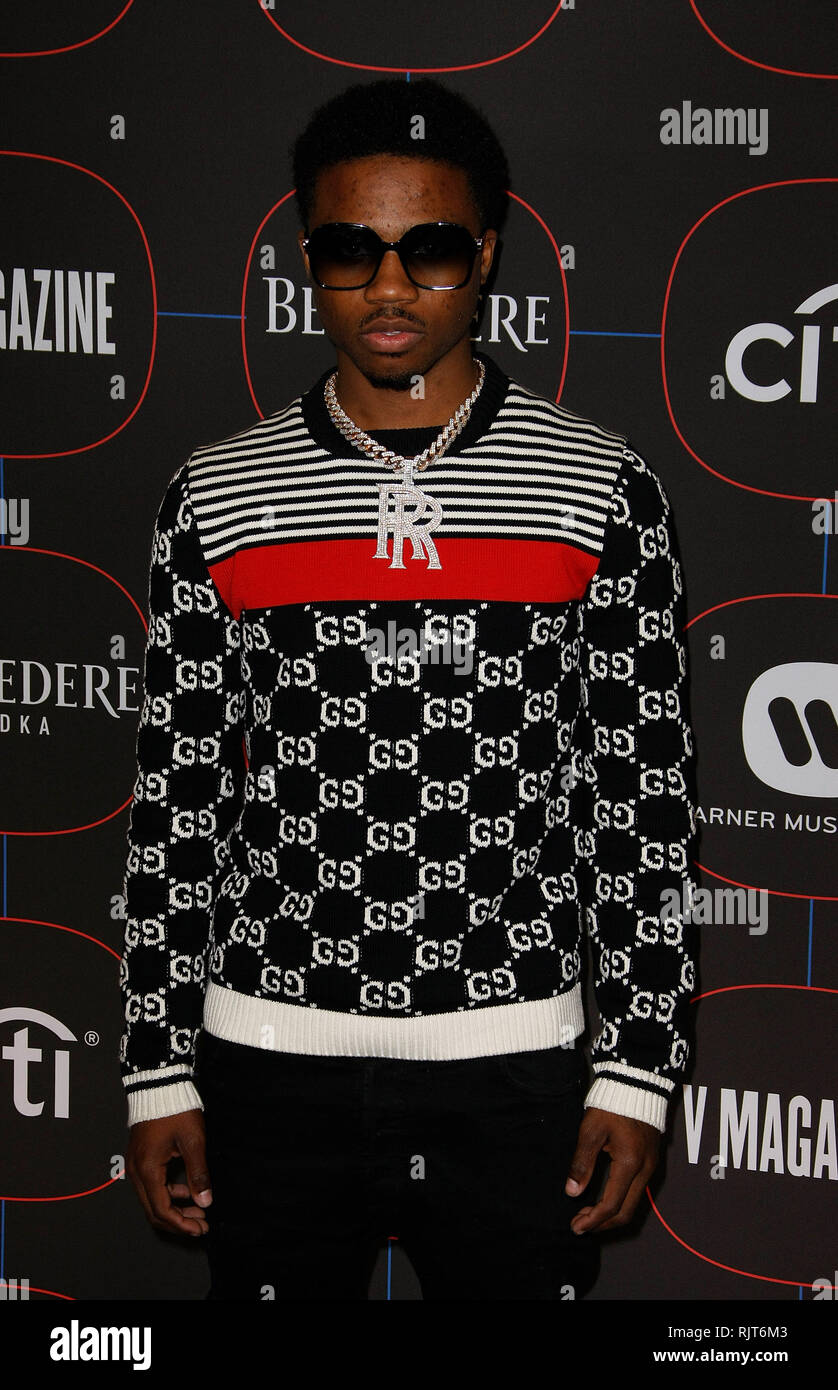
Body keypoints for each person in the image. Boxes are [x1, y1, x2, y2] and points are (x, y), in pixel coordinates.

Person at [119, 77, 698, 1301]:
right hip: (262, 1062)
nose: (389, 286)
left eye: (429, 248)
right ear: (305, 258)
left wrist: (636, 1068)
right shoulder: (215, 493)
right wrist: (158, 1069)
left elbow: (641, 804)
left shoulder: (600, 488)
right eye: (350, 248)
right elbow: (174, 802)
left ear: (483, 254)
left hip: (517, 1075)